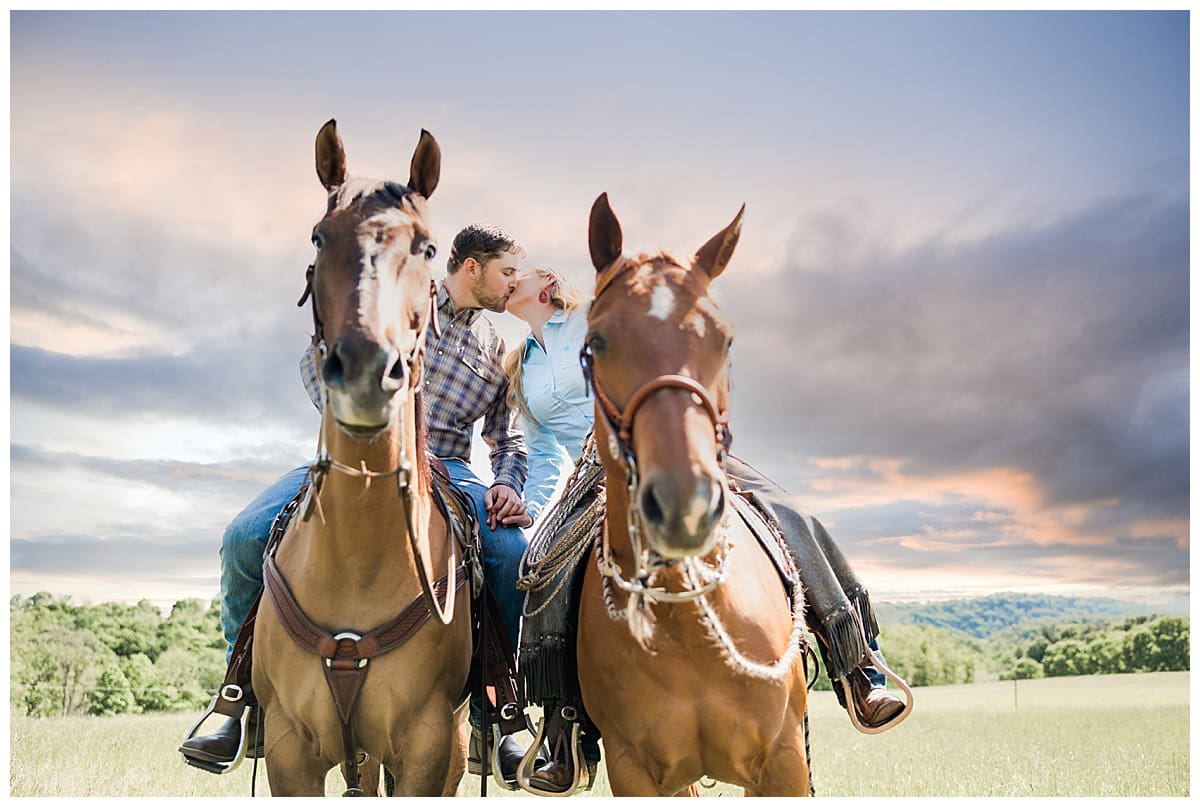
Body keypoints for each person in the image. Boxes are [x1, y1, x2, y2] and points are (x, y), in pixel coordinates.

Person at [503, 266, 905, 793]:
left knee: (793, 515)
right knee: (541, 563)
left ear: (546, 280)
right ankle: (565, 727)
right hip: (593, 471)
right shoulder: (518, 366)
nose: (509, 278)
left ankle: (858, 665)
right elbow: (542, 452)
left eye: (518, 270)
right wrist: (534, 508)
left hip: (665, 440)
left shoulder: (591, 321)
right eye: (502, 273)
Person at [180, 224, 537, 783]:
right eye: (507, 272)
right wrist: (352, 422)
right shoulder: (395, 305)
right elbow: (313, 361)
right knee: (243, 536)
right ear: (472, 268)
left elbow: (507, 439)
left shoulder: (496, 347)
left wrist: (510, 484)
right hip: (351, 454)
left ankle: (503, 708)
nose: (514, 284)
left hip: (449, 469)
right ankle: (238, 693)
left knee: (510, 554)